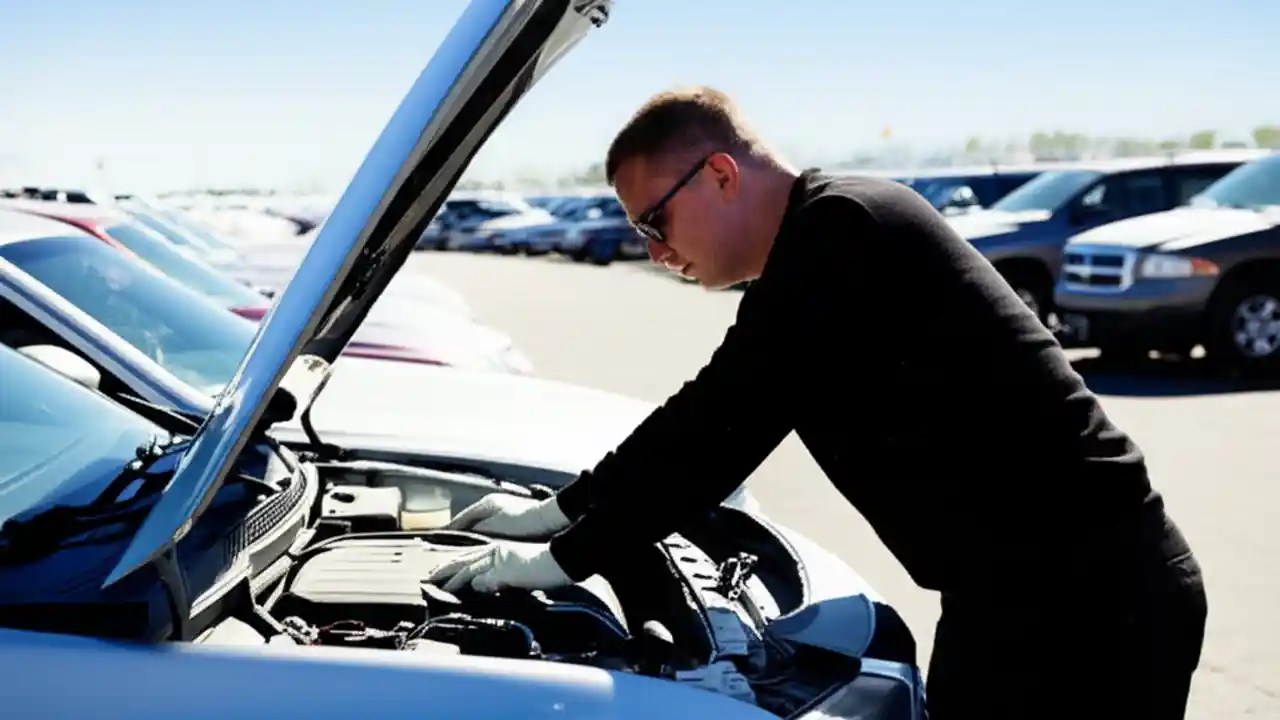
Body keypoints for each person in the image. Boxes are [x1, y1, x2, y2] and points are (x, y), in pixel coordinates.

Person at [426, 86, 1208, 718]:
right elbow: (703, 413)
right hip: (1021, 601)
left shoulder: (846, 231)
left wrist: (560, 559)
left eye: (654, 223)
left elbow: (719, 434)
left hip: (1093, 606)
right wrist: (565, 508)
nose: (653, 253)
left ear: (722, 175)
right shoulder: (815, 249)